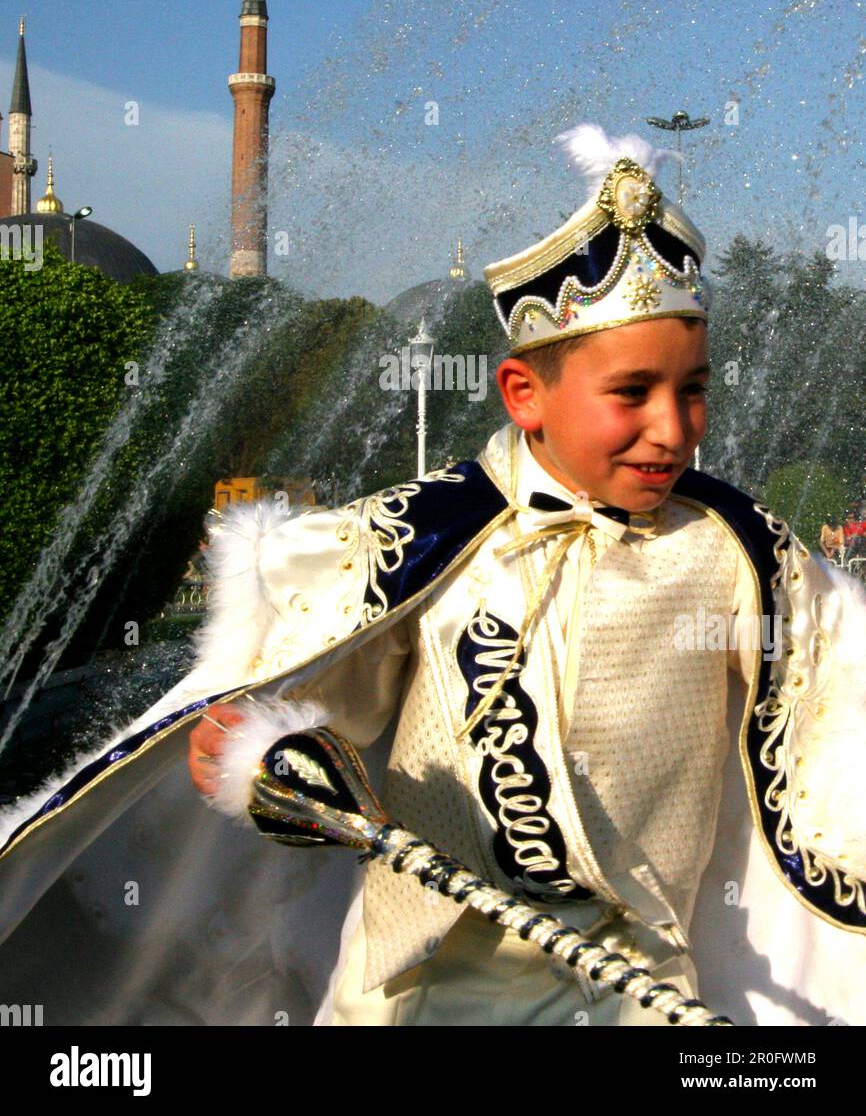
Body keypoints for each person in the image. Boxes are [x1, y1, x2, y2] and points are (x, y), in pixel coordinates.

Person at [2, 123, 866, 1027]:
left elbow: (838, 698)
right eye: (631, 392)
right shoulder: (425, 539)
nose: (673, 427)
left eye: (692, 389)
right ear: (524, 396)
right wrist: (262, 762)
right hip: (414, 1000)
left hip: (637, 996)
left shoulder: (738, 549)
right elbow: (291, 713)